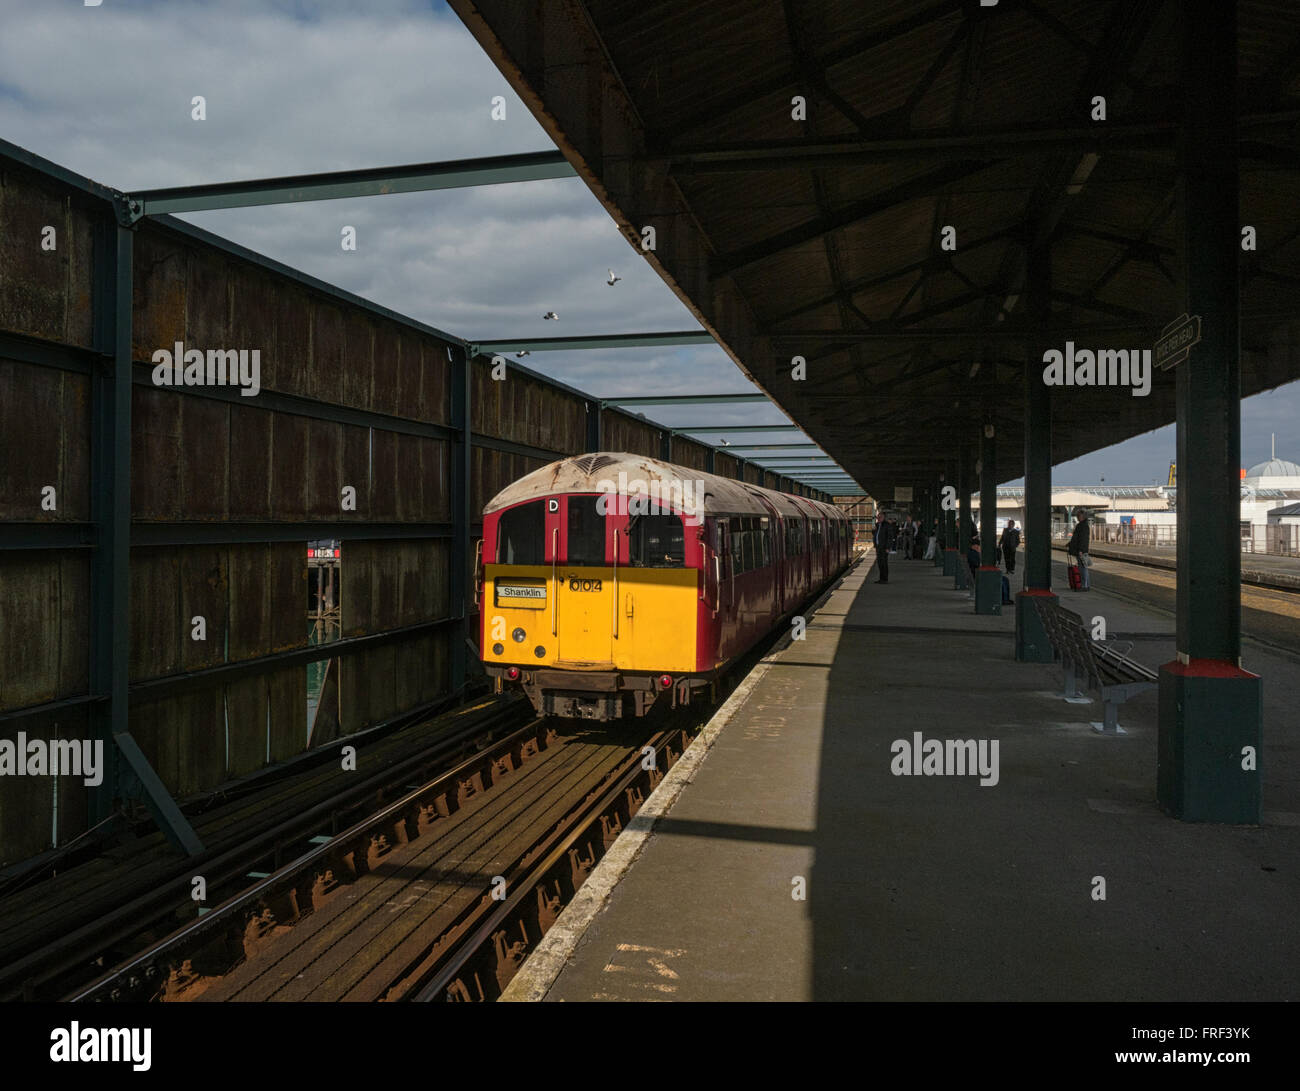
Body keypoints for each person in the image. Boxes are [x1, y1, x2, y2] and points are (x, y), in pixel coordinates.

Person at [1067, 511, 1091, 591]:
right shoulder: (1081, 525)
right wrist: (1070, 544)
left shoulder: (1083, 526)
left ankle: (1085, 586)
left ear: (1083, 516)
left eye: (1079, 516)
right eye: (1077, 515)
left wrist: (1081, 550)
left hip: (1081, 550)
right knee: (1083, 567)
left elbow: (1083, 539)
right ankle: (1085, 585)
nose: (1077, 517)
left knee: (1083, 568)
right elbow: (1076, 538)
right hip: (1080, 549)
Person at [874, 514, 896, 583]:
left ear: (883, 518)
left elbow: (890, 537)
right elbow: (876, 535)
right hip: (878, 547)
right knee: (880, 563)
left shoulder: (887, 525)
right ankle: (881, 578)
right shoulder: (877, 525)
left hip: (884, 547)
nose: (878, 518)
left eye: (880, 517)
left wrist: (888, 547)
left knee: (884, 563)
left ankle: (885, 579)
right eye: (878, 517)